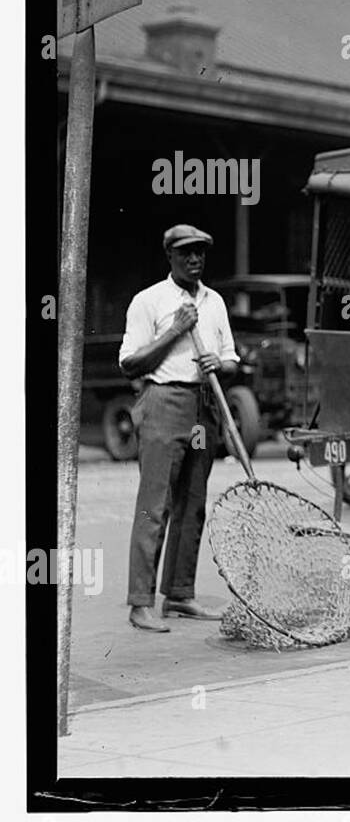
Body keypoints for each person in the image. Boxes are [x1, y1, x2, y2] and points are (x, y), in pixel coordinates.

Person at [118, 225, 237, 633]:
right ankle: (140, 603)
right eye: (185, 252)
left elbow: (231, 357)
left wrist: (221, 365)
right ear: (169, 255)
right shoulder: (148, 300)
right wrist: (174, 329)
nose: (194, 259)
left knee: (193, 503)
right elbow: (131, 364)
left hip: (204, 406)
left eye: (200, 252)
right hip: (162, 402)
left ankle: (180, 595)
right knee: (155, 505)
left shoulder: (215, 301)